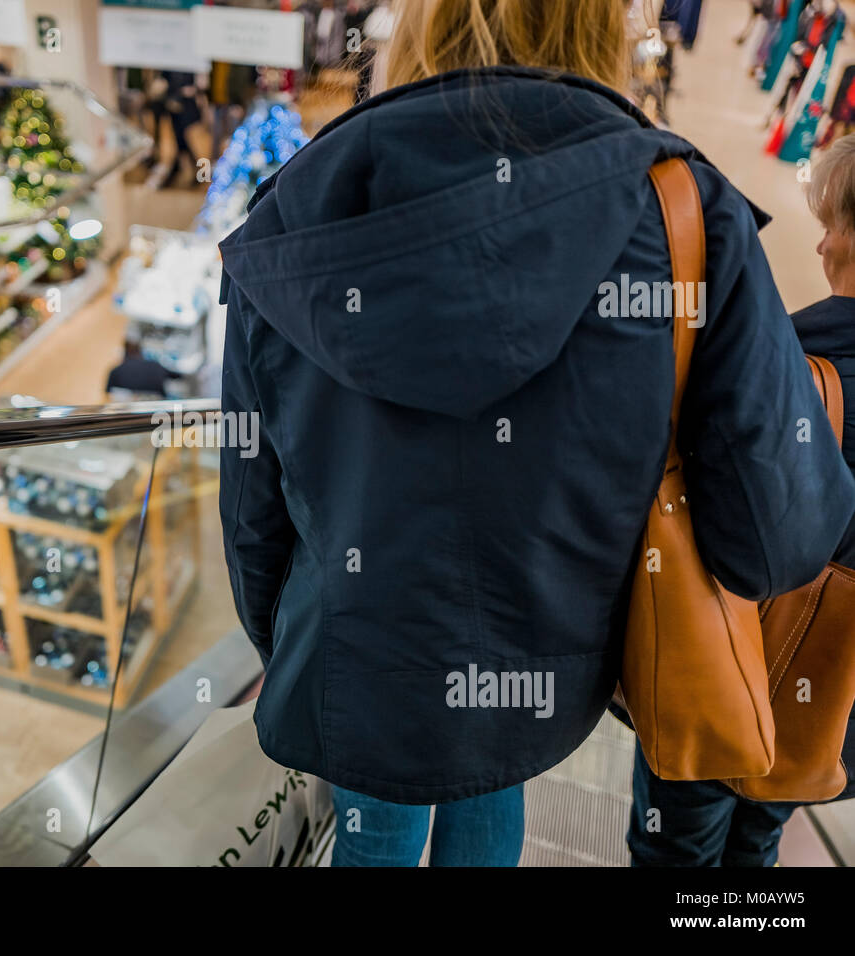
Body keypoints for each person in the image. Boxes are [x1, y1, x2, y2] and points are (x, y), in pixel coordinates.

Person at [217, 0, 855, 867]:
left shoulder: (291, 211)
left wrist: (296, 638)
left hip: (353, 658)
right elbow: (780, 540)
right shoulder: (684, 211)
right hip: (542, 668)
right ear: (602, 28)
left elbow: (252, 515)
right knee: (491, 798)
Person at [626, 135, 855, 867]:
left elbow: (736, 538)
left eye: (833, 224)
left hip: (729, 683)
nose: (821, 243)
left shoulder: (799, 372)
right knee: (759, 842)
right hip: (833, 712)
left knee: (676, 853)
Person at [106, 338, 179, 400]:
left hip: (126, 413)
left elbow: (108, 394)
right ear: (140, 351)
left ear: (124, 352)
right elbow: (177, 376)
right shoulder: (156, 366)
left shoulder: (115, 371)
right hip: (157, 413)